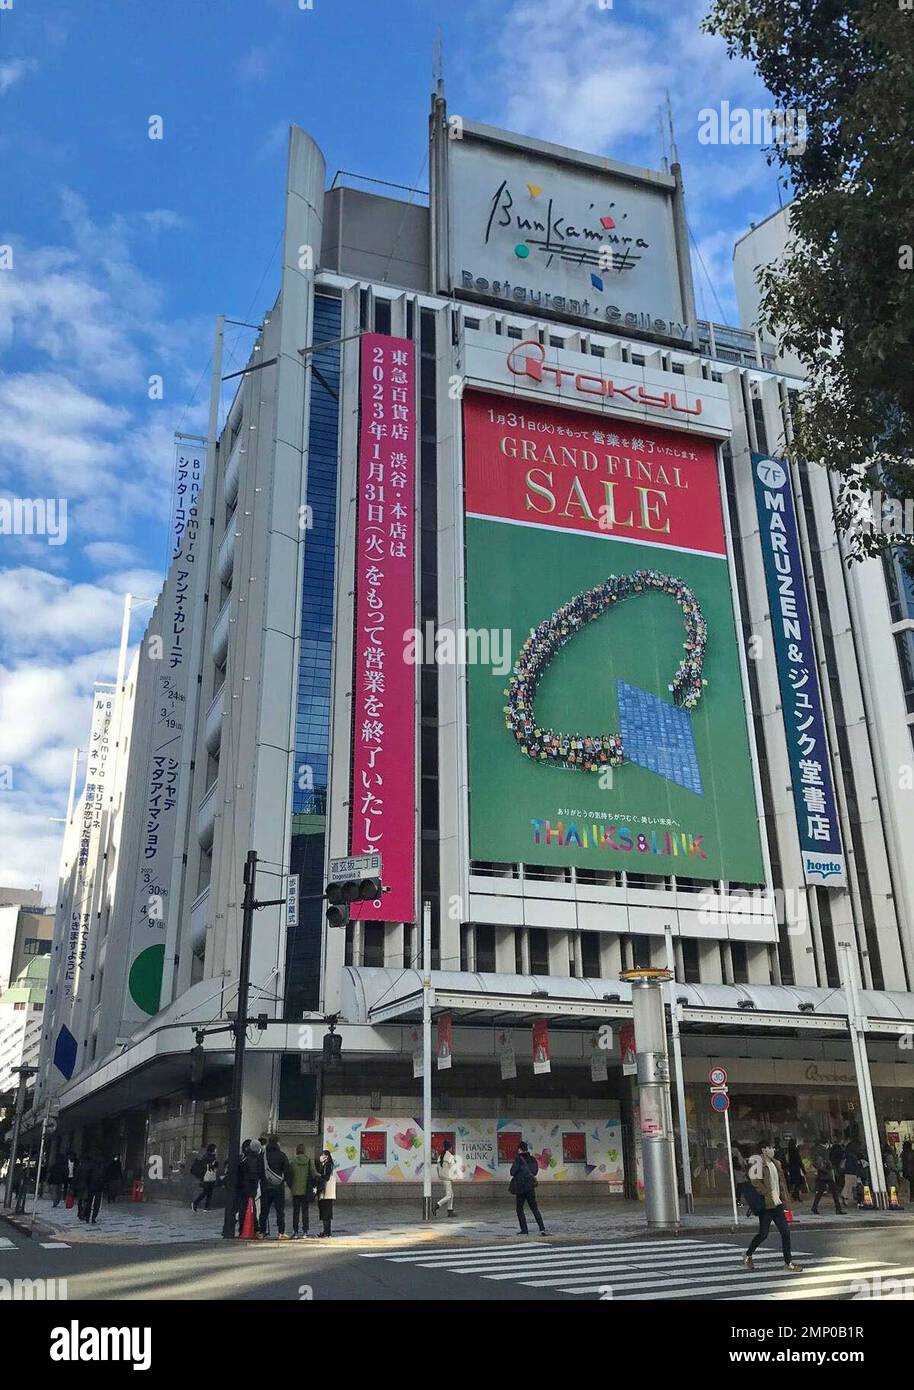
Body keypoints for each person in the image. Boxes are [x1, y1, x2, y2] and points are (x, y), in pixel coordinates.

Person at [744, 1141, 802, 1272]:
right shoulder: (758, 1162)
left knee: (785, 1232)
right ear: (763, 1150)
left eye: (773, 1148)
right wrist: (766, 1192)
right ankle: (748, 1254)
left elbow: (781, 1184)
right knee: (763, 1234)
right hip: (766, 1205)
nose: (773, 1150)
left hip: (777, 1203)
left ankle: (788, 1263)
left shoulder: (776, 1163)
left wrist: (785, 1201)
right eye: (770, 1147)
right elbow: (754, 1181)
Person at [258, 1135, 293, 1239]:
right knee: (280, 1211)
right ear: (277, 1143)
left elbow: (259, 1170)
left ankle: (262, 1232)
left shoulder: (263, 1155)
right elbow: (287, 1171)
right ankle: (281, 1232)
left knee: (264, 1210)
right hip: (278, 1187)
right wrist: (290, 1185)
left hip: (265, 1186)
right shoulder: (282, 1155)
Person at [510, 1139, 546, 1236]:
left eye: (518, 1149)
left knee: (520, 1209)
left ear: (520, 1150)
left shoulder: (518, 1160)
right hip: (530, 1187)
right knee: (534, 1208)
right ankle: (542, 1228)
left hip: (521, 1188)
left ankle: (524, 1230)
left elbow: (512, 1172)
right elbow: (535, 1172)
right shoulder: (533, 1159)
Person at [810, 1140, 845, 1214]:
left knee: (820, 1192)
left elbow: (814, 1162)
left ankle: (814, 1206)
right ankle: (838, 1209)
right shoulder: (824, 1150)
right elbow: (827, 1160)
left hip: (821, 1173)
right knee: (834, 1191)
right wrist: (829, 1166)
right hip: (826, 1173)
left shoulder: (816, 1150)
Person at [289, 1143, 316, 1238]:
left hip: (295, 1190)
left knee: (295, 1212)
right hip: (306, 1190)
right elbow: (314, 1174)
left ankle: (295, 1231)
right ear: (304, 1151)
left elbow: (289, 1174)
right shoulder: (309, 1161)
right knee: (305, 1211)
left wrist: (291, 1185)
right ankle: (305, 1231)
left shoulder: (293, 1162)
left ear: (297, 1151)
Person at [236, 1138, 262, 1234]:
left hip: (243, 1186)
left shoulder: (245, 1158)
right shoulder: (257, 1160)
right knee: (251, 1207)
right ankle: (253, 1227)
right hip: (251, 1186)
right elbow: (256, 1174)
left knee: (243, 1207)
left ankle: (243, 1227)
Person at [75, 1154, 104, 1225]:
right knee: (96, 1203)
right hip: (98, 1187)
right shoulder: (102, 1167)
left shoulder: (90, 1166)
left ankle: (88, 1217)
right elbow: (105, 1177)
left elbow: (86, 1177)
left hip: (91, 1187)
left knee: (89, 1202)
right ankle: (93, 1217)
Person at [191, 1144, 219, 1212]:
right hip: (207, 1177)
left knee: (208, 1192)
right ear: (213, 1149)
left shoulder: (208, 1156)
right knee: (206, 1192)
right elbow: (211, 1167)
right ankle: (196, 1203)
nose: (216, 1149)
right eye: (215, 1148)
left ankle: (206, 1207)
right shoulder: (210, 1157)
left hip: (208, 1177)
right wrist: (214, 1164)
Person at [315, 1149, 337, 1238]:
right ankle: (326, 1231)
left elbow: (326, 1177)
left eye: (323, 1155)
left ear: (326, 1156)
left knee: (326, 1212)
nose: (321, 1157)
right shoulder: (326, 1165)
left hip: (327, 1191)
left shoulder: (328, 1165)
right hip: (326, 1191)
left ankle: (327, 1232)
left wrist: (319, 1176)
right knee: (325, 1212)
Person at [435, 1139, 459, 1219]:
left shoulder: (440, 1156)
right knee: (449, 1195)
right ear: (450, 1148)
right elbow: (453, 1168)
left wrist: (440, 1176)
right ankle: (437, 1205)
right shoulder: (450, 1156)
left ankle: (450, 1211)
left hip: (442, 1177)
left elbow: (437, 1168)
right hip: (447, 1178)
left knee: (451, 1194)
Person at [730, 1143, 749, 1208]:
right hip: (739, 1173)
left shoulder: (736, 1154)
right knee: (740, 1187)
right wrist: (743, 1170)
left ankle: (738, 1201)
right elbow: (737, 1165)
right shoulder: (736, 1155)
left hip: (739, 1172)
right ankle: (738, 1201)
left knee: (740, 1187)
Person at [901, 1139, 914, 1204]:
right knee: (911, 1185)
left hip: (908, 1171)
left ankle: (911, 1197)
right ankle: (911, 1197)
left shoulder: (904, 1153)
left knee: (910, 1185)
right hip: (910, 1171)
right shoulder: (910, 1152)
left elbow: (905, 1163)